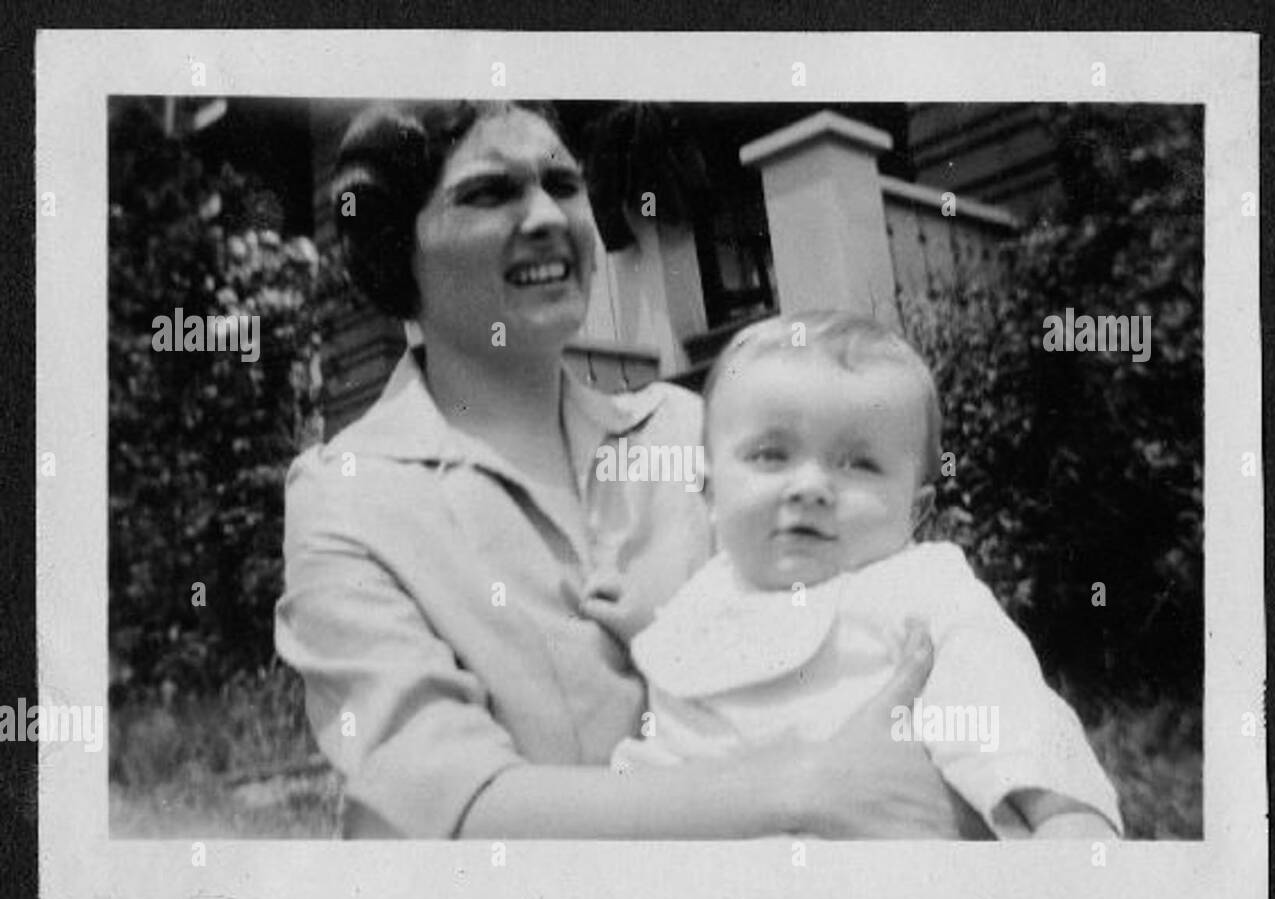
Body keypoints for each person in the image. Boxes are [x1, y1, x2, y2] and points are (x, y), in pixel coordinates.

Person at [274, 100, 973, 839]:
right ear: (396, 248)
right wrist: (805, 786)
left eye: (562, 183)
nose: (546, 215)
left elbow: (877, 642)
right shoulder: (347, 494)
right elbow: (456, 810)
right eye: (488, 192)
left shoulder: (690, 434)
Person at [612, 312, 1122, 838]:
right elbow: (660, 776)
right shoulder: (696, 609)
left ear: (916, 510)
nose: (810, 486)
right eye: (771, 455)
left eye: (859, 464)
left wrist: (1063, 815)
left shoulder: (919, 587)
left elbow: (1003, 703)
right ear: (709, 491)